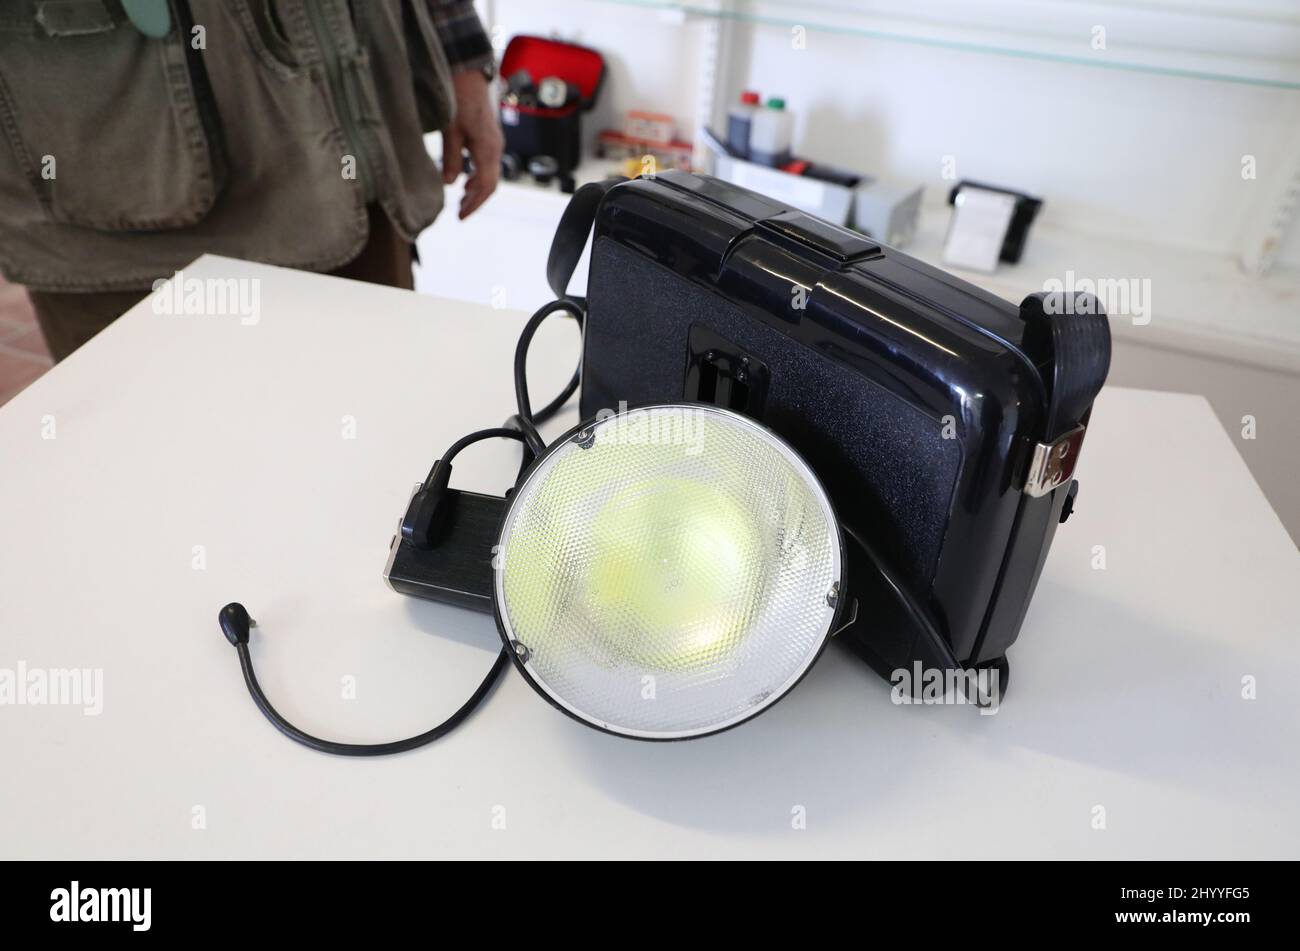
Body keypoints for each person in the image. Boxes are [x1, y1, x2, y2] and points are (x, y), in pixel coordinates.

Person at [0, 0, 504, 361]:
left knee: (382, 457)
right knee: (149, 475)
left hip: (354, 151)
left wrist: (456, 50)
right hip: (115, 202)